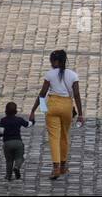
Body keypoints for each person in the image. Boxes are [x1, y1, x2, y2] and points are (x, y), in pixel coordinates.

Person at [29, 49, 83, 181]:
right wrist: (80, 114)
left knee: (54, 137)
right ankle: (63, 166)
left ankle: (56, 168)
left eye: (51, 61)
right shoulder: (73, 75)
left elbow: (42, 94)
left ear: (56, 61)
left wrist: (36, 110)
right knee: (64, 136)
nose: (50, 63)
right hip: (66, 106)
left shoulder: (49, 74)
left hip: (52, 105)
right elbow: (76, 95)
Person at [0, 102, 30, 181]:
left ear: (5, 111)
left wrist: (0, 136)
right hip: (18, 142)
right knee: (20, 157)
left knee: (9, 160)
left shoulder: (3, 120)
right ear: (16, 111)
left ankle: (8, 176)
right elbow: (27, 124)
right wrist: (32, 121)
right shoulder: (19, 120)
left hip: (7, 143)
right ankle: (17, 167)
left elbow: (1, 131)